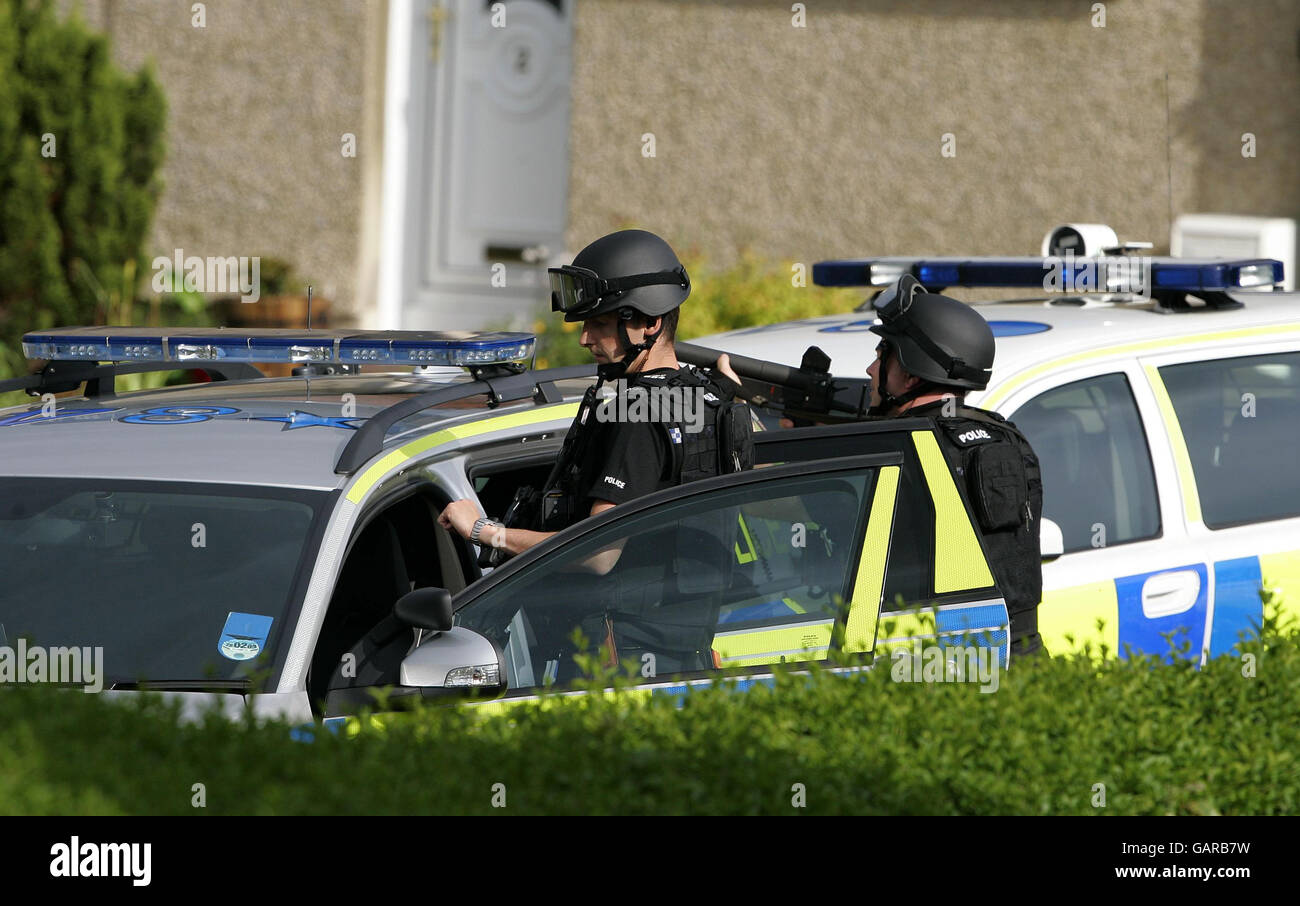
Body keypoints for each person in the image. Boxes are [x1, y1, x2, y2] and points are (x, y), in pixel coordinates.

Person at [438, 229, 752, 572]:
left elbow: (599, 554)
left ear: (650, 322)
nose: (585, 339)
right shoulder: (704, 396)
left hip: (618, 624)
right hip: (680, 616)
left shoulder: (638, 412)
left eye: (600, 323)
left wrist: (485, 532)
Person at [865, 274, 1047, 658]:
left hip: (939, 663)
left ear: (912, 372)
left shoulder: (897, 447)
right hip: (1021, 657)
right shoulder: (1007, 436)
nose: (869, 369)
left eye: (883, 354)